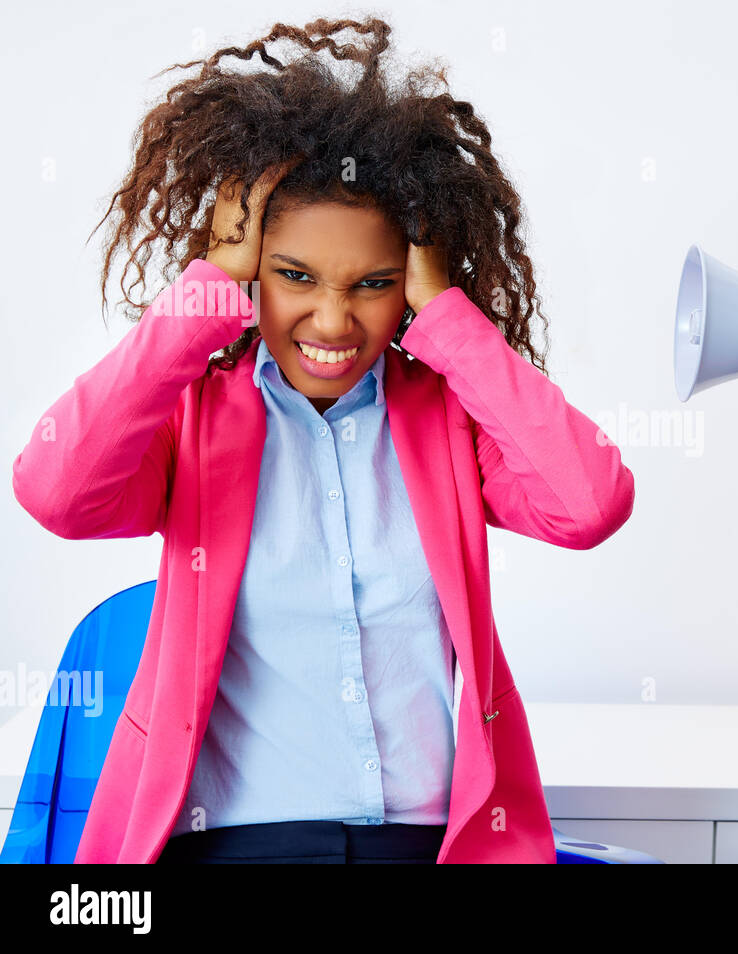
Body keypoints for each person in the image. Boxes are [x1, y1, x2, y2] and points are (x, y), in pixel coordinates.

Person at [11, 16, 634, 864]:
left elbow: (590, 503)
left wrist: (449, 319)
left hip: (422, 846)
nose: (334, 320)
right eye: (294, 276)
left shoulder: (444, 418)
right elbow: (56, 490)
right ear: (250, 270)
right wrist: (208, 291)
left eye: (373, 285)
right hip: (232, 845)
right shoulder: (195, 417)